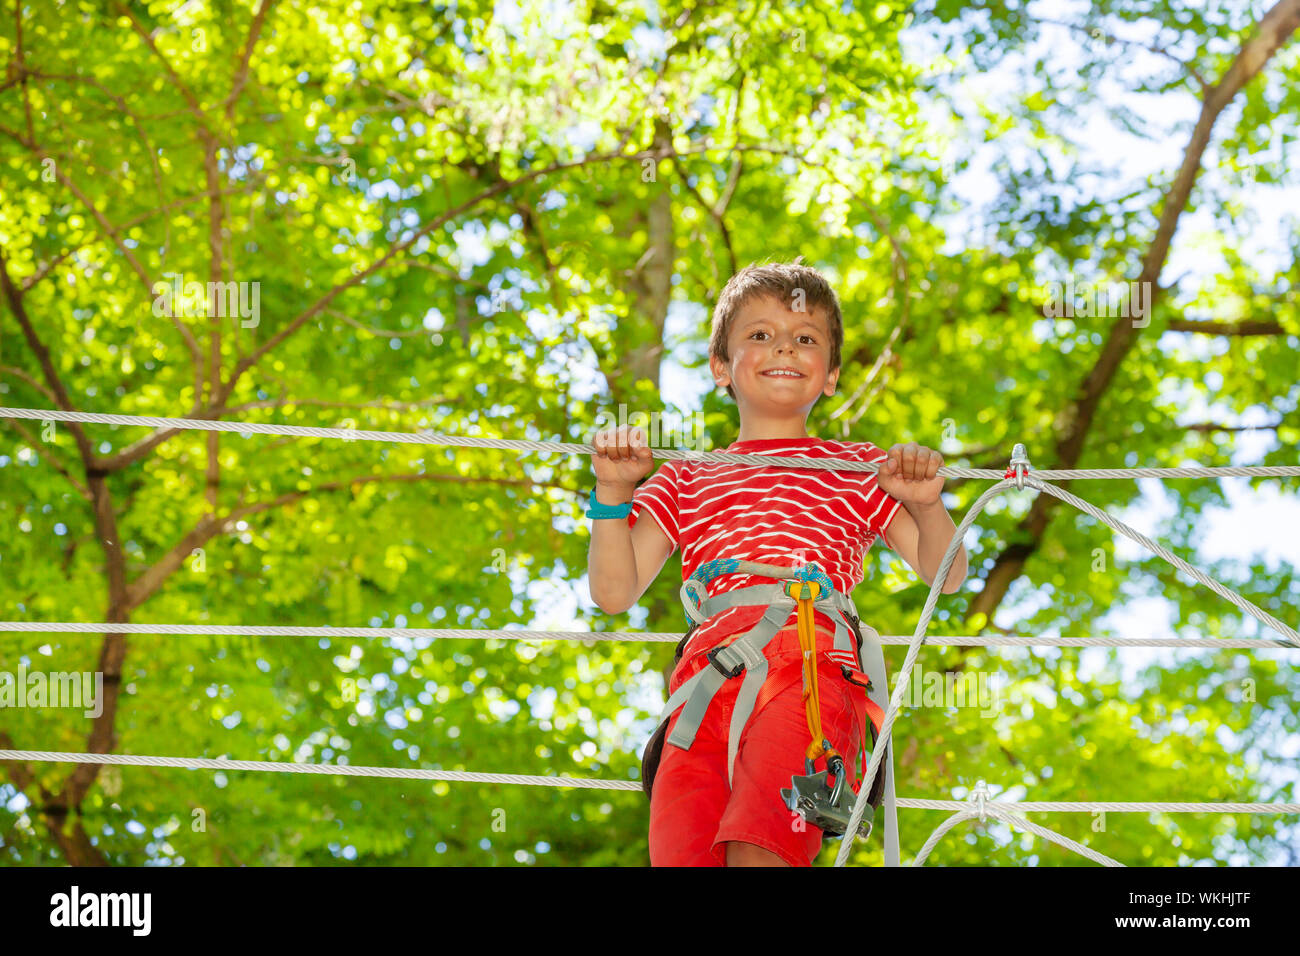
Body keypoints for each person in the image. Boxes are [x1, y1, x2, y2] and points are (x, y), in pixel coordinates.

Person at [587, 260, 969, 866]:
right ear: (721, 367)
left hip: (811, 667)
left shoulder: (857, 468)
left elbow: (944, 572)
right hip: (702, 690)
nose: (784, 347)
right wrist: (611, 495)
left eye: (806, 338)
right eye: (759, 335)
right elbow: (614, 591)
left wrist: (925, 505)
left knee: (761, 848)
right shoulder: (687, 475)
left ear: (832, 374)